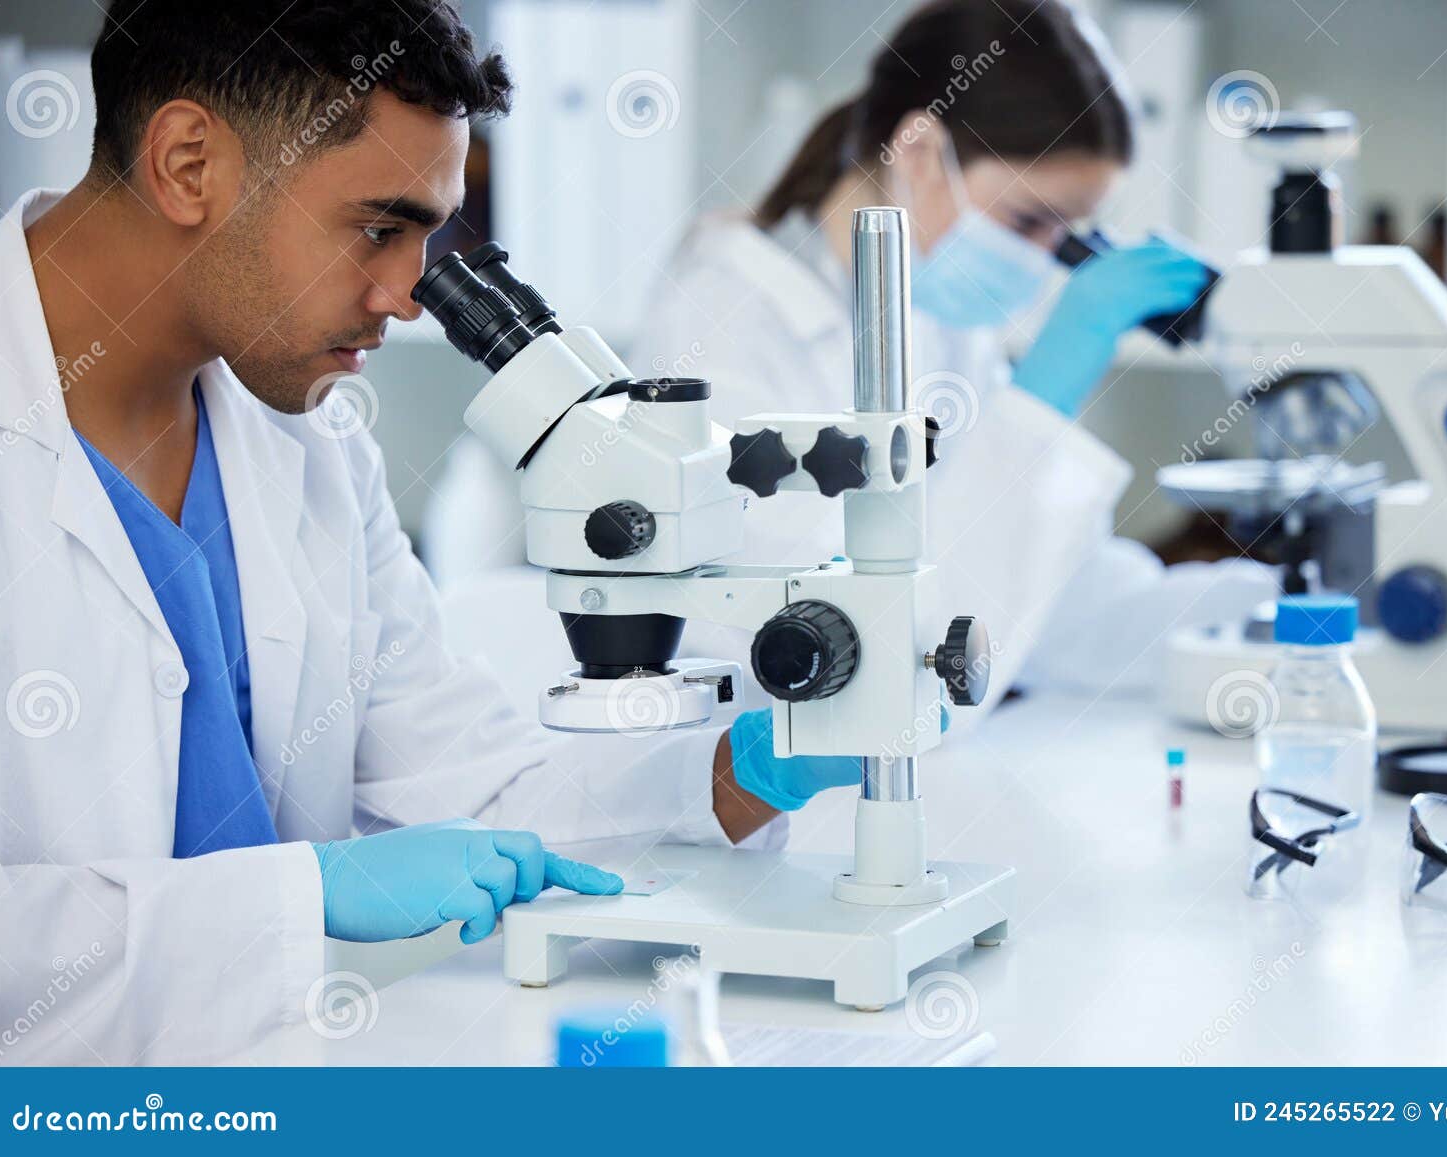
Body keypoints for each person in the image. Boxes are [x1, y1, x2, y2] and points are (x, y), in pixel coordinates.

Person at [0, 0, 864, 1066]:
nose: (408, 295)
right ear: (186, 164)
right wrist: (299, 892)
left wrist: (738, 770)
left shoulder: (309, 449)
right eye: (378, 228)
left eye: (431, 238)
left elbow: (477, 797)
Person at [426, 0, 1272, 714]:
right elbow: (866, 647)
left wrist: (1252, 622)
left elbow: (1040, 605)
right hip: (761, 775)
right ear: (918, 156)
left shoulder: (931, 311)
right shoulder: (732, 314)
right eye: (1028, 223)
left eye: (1068, 236)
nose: (1045, 260)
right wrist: (1040, 408)